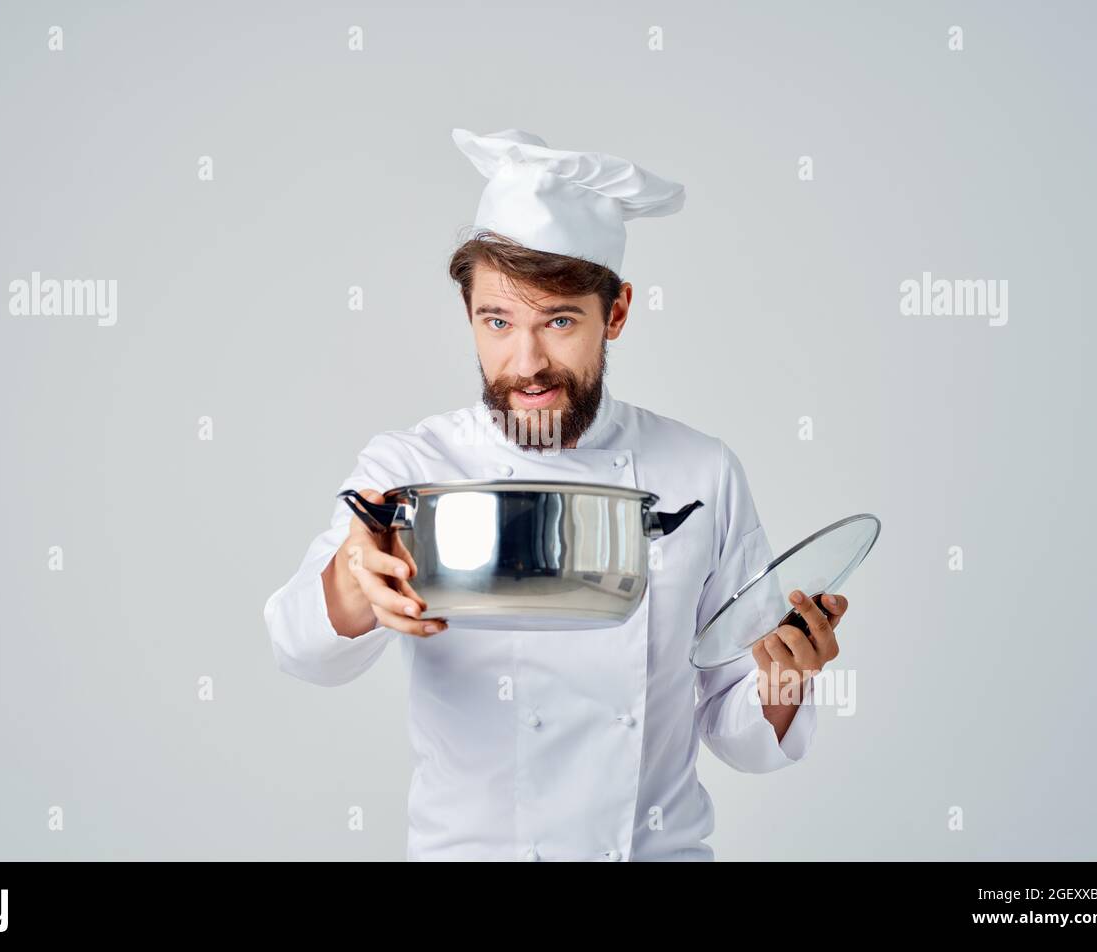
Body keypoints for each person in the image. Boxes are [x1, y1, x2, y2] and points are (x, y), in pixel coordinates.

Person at [263, 128, 848, 861]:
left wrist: (785, 681)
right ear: (470, 317)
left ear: (619, 312)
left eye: (560, 321)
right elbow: (298, 648)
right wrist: (357, 581)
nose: (526, 362)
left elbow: (742, 731)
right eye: (497, 322)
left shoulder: (702, 472)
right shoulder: (411, 466)